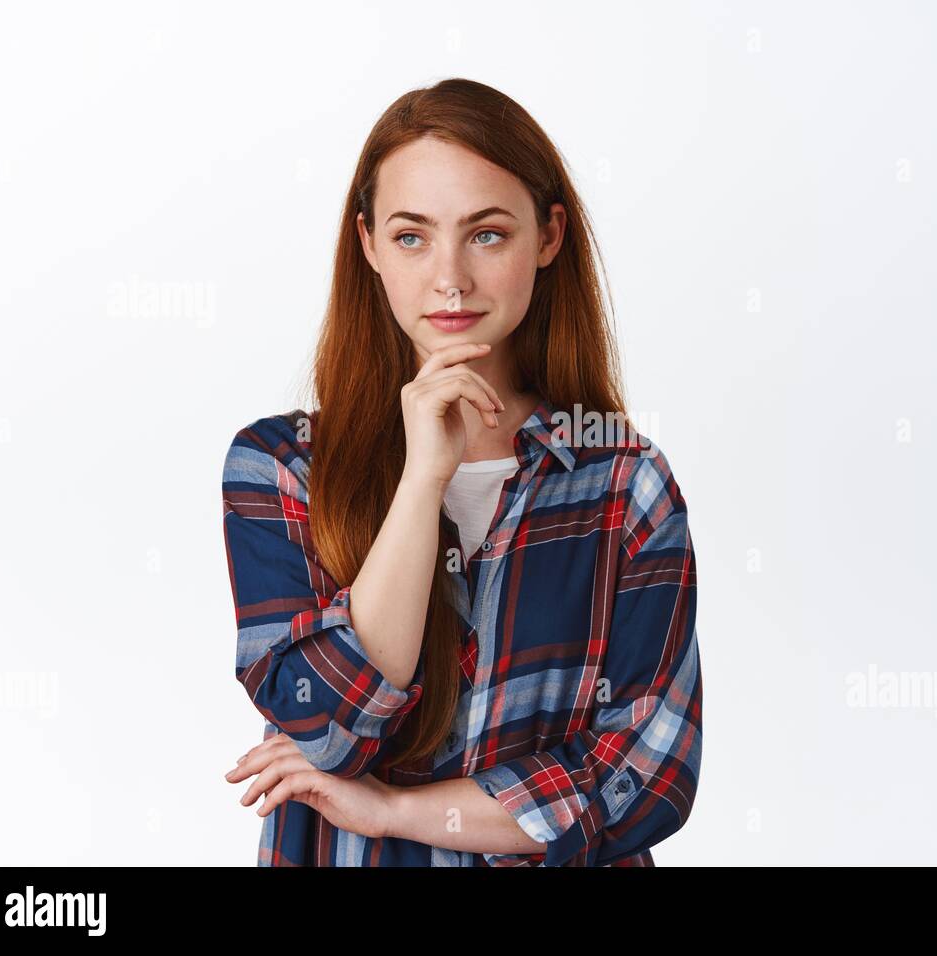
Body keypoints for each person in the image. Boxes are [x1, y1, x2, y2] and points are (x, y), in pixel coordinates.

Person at [220, 78, 702, 866]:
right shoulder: (280, 466)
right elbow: (329, 725)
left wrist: (395, 811)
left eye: (486, 235)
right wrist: (422, 480)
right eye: (412, 237)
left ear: (548, 238)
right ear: (369, 243)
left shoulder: (624, 480)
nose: (451, 278)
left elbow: (646, 778)